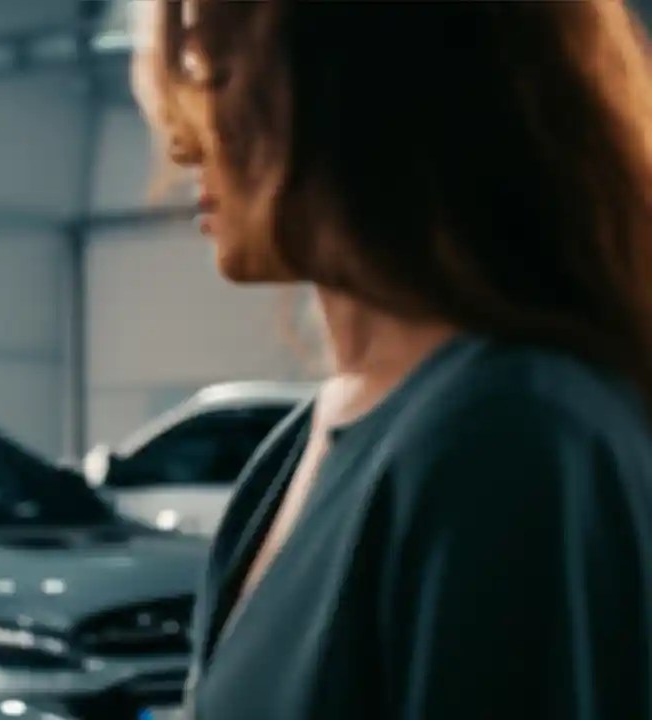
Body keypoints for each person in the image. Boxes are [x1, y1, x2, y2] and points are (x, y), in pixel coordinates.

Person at [131, 1, 652, 718]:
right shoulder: (297, 451)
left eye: (219, 79)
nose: (186, 144)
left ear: (365, 95)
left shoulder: (512, 440)